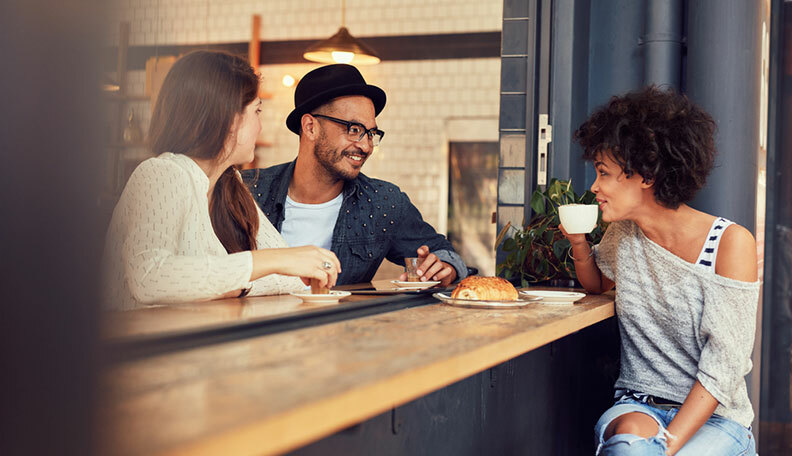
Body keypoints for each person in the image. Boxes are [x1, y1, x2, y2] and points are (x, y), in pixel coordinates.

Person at [562, 86, 759, 455]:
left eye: (603, 173)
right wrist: (578, 244)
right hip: (639, 403)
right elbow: (597, 284)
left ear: (646, 176)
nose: (594, 187)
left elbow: (724, 368)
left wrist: (667, 448)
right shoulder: (624, 234)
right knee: (629, 448)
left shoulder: (730, 244)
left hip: (717, 418)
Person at [103, 51, 341, 310]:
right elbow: (149, 278)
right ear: (229, 119)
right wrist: (262, 265)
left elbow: (294, 279)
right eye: (257, 111)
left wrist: (238, 284)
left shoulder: (231, 185)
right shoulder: (161, 173)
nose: (260, 126)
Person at [241, 64, 466, 286]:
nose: (366, 146)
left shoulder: (382, 202)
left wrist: (444, 268)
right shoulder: (246, 191)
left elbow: (442, 253)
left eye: (371, 133)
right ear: (310, 127)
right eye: (354, 130)